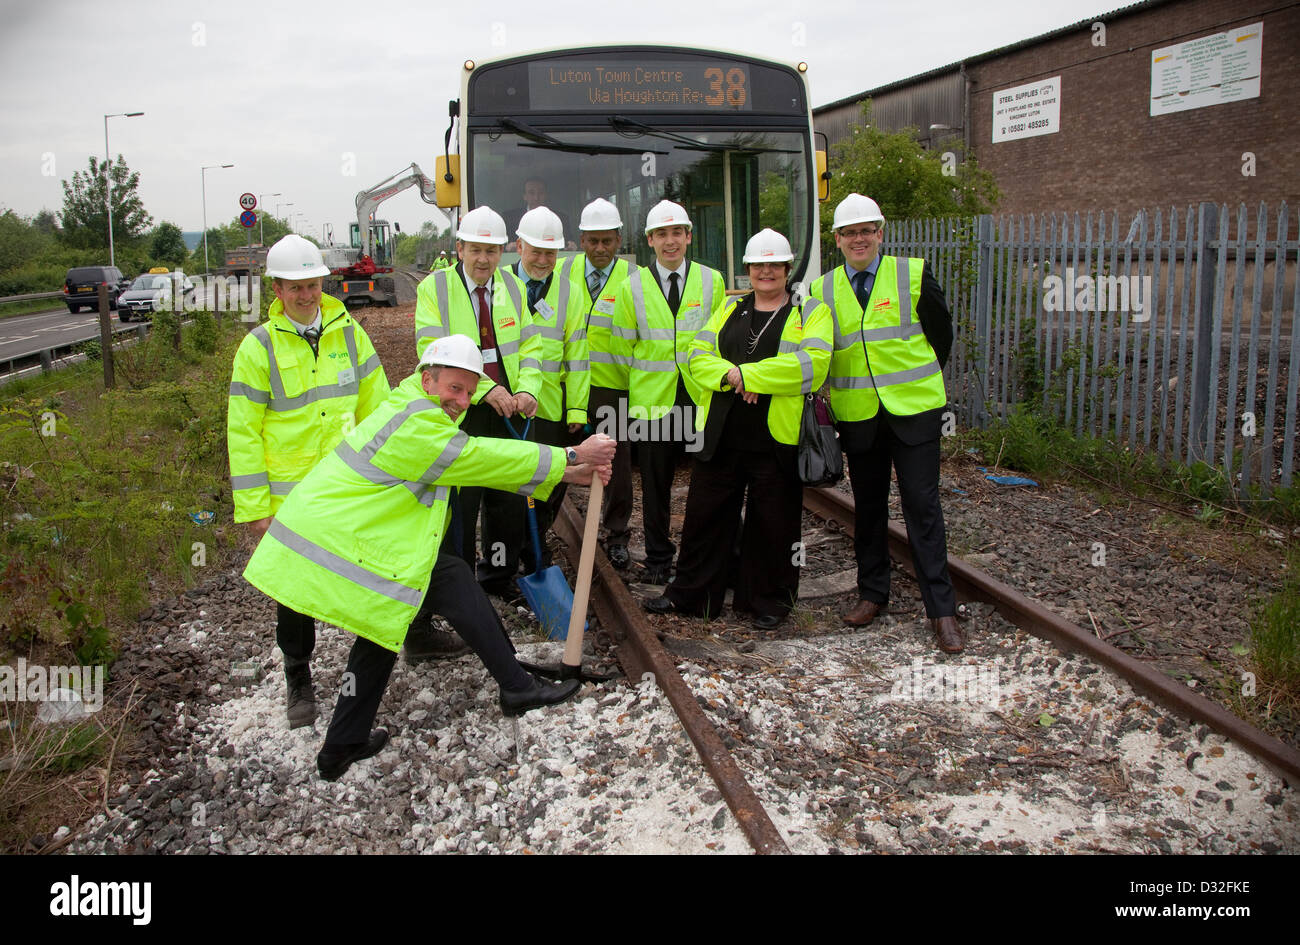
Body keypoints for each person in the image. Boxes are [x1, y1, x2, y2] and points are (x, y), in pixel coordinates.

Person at [242, 335, 616, 780]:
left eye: (467, 390)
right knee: (441, 584)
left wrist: (566, 471)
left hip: (362, 538)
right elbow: (474, 457)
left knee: (386, 620)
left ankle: (341, 745)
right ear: (427, 378)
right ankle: (515, 686)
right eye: (452, 388)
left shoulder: (415, 406)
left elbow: (469, 466)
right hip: (339, 540)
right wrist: (570, 453)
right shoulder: (416, 421)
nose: (460, 401)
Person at [227, 234, 392, 729]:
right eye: (295, 287)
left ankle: (362, 678)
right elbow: (243, 431)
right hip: (292, 496)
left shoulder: (350, 334)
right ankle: (298, 674)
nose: (306, 295)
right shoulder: (257, 348)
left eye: (313, 284)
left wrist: (385, 474)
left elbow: (378, 404)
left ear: (325, 281)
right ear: (276, 288)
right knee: (295, 594)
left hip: (345, 486)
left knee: (364, 572)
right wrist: (255, 507)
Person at [645, 230, 831, 629]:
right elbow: (697, 355)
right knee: (704, 517)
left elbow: (812, 365)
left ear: (787, 268)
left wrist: (750, 375)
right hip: (722, 433)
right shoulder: (730, 308)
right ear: (748, 269)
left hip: (776, 437)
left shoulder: (810, 311)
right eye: (758, 265)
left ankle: (767, 602)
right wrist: (732, 376)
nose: (766, 272)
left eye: (774, 265)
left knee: (773, 522)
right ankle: (691, 595)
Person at [810, 193, 963, 653]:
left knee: (922, 506)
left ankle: (942, 611)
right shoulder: (822, 290)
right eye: (849, 232)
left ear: (880, 233)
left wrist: (917, 383)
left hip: (914, 412)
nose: (859, 238)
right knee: (869, 509)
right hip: (859, 417)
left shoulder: (911, 273)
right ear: (836, 240)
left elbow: (941, 333)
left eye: (866, 230)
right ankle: (873, 594)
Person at [414, 206, 541, 598]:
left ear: (502, 250)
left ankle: (497, 577)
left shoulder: (513, 287)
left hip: (509, 413)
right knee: (461, 505)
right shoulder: (433, 289)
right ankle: (460, 584)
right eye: (475, 250)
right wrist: (487, 391)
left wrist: (529, 390)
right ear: (460, 248)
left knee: (507, 502)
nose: (484, 259)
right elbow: (431, 352)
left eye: (492, 250)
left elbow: (533, 345)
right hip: (460, 413)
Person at [610, 200, 726, 584]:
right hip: (652, 404)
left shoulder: (712, 281)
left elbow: (720, 341)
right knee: (656, 487)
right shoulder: (631, 289)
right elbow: (622, 348)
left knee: (707, 485)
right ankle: (659, 559)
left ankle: (700, 557)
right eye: (662, 234)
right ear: (650, 241)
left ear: (689, 237)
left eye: (677, 233)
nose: (670, 241)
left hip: (700, 399)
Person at [509, 206, 589, 570]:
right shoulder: (501, 284)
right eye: (536, 251)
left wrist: (576, 409)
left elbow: (578, 354)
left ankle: (535, 548)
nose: (543, 260)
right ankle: (509, 559)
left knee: (552, 482)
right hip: (510, 409)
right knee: (510, 487)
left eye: (550, 252)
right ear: (519, 245)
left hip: (552, 409)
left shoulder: (570, 293)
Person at [559, 198, 637, 569]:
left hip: (613, 388)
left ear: (619, 240)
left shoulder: (634, 280)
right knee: (556, 459)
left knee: (617, 466)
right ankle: (537, 535)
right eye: (593, 241)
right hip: (567, 385)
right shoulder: (562, 272)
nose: (600, 249)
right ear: (581, 240)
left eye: (607, 241)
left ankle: (617, 535)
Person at [504, 177, 574, 250]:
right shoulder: (510, 218)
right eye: (531, 193)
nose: (536, 198)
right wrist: (507, 248)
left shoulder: (561, 218)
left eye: (541, 193)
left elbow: (569, 244)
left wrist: (571, 247)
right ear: (524, 196)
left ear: (546, 195)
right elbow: (499, 248)